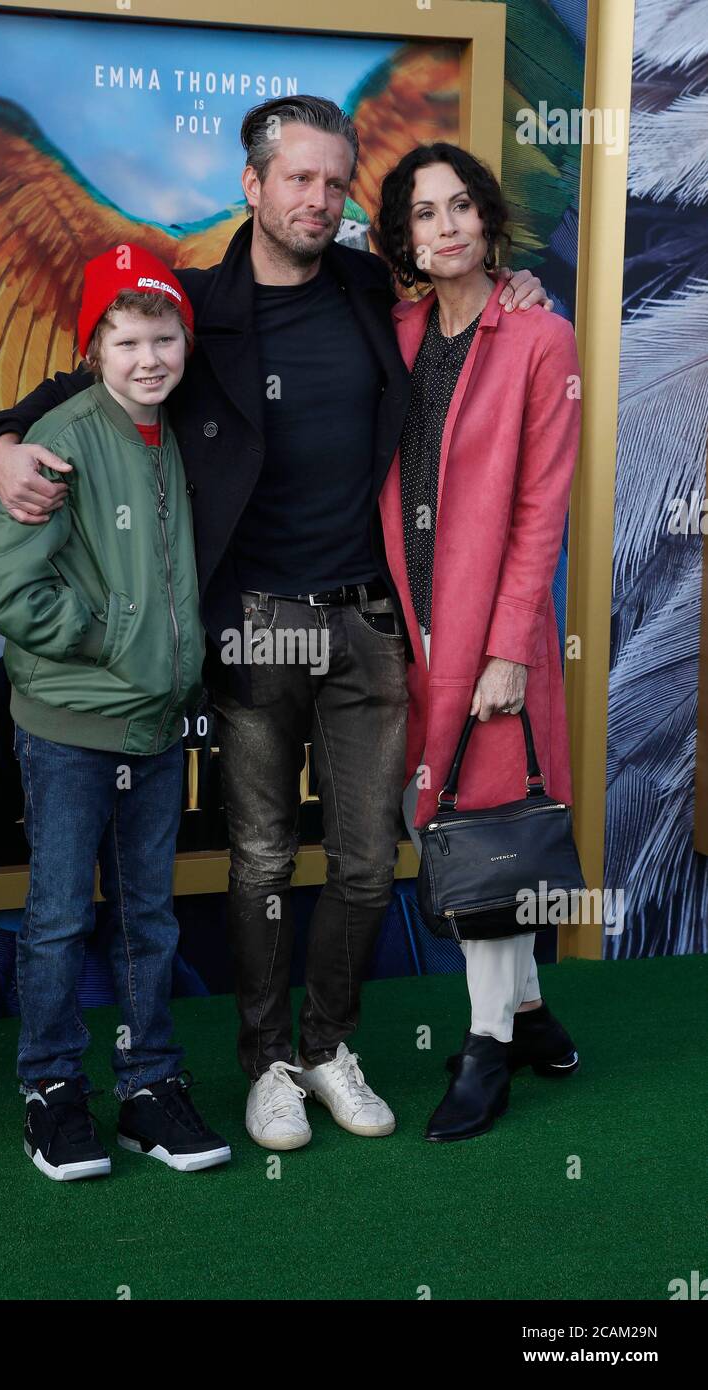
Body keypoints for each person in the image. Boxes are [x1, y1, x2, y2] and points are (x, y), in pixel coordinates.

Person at [0, 97, 550, 1152]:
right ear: (252, 185)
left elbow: (469, 320)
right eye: (298, 179)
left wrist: (508, 285)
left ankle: (328, 1044)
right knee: (257, 862)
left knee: (369, 861)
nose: (318, 201)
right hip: (246, 626)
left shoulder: (373, 287)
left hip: (366, 621)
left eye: (335, 183)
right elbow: (79, 381)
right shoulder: (195, 307)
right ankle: (264, 1064)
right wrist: (0, 443)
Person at [0, 244, 231, 1179]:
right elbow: (1, 589)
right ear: (94, 349)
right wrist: (120, 635)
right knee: (55, 920)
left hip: (158, 729)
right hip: (72, 729)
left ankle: (149, 1088)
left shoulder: (182, 438)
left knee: (149, 918)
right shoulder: (57, 440)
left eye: (163, 338)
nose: (148, 358)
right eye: (125, 341)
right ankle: (51, 1090)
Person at [375, 142, 581, 1142]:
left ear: (486, 217)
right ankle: (532, 1018)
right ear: (402, 235)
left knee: (487, 834)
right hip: (409, 623)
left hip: (488, 625)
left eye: (460, 206)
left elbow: (542, 506)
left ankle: (487, 1047)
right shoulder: (396, 326)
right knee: (445, 819)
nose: (445, 226)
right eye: (423, 213)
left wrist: (507, 646)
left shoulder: (541, 337)